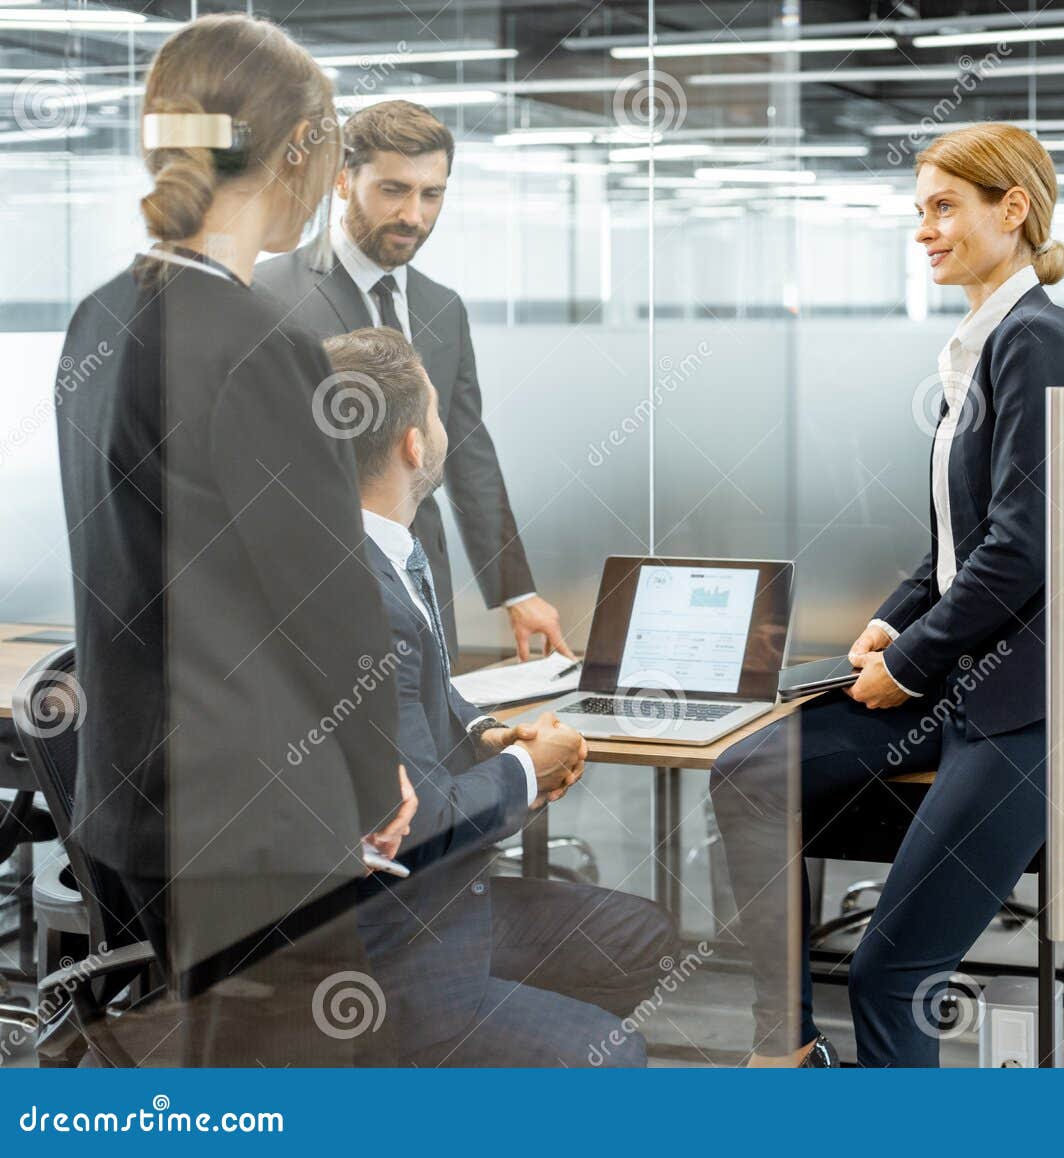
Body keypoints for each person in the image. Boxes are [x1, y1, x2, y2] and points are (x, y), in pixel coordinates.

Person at [52, 13, 413, 1061]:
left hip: (126, 803)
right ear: (296, 150)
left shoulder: (99, 318)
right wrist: (374, 765)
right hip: (252, 822)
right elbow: (325, 595)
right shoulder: (260, 344)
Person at [709, 122, 1064, 1067]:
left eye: (943, 207)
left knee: (891, 977)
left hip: (1019, 710)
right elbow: (956, 545)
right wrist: (894, 614)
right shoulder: (980, 345)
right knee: (750, 772)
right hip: (953, 677)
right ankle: (785, 1044)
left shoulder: (1037, 340)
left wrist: (911, 664)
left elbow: (1021, 550)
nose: (924, 229)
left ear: (1012, 211)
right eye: (919, 210)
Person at [325, 326, 675, 1066]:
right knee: (614, 1059)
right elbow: (413, 829)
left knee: (640, 937)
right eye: (438, 411)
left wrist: (487, 737)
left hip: (411, 898)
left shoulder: (374, 550)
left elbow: (407, 712)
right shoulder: (362, 588)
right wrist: (527, 772)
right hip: (384, 942)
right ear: (416, 444)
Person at [256, 100, 566, 665]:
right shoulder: (269, 296)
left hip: (422, 581)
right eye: (394, 190)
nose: (414, 216)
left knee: (433, 740)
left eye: (432, 194)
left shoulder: (441, 308)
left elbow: (467, 451)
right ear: (344, 180)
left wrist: (516, 591)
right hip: (310, 592)